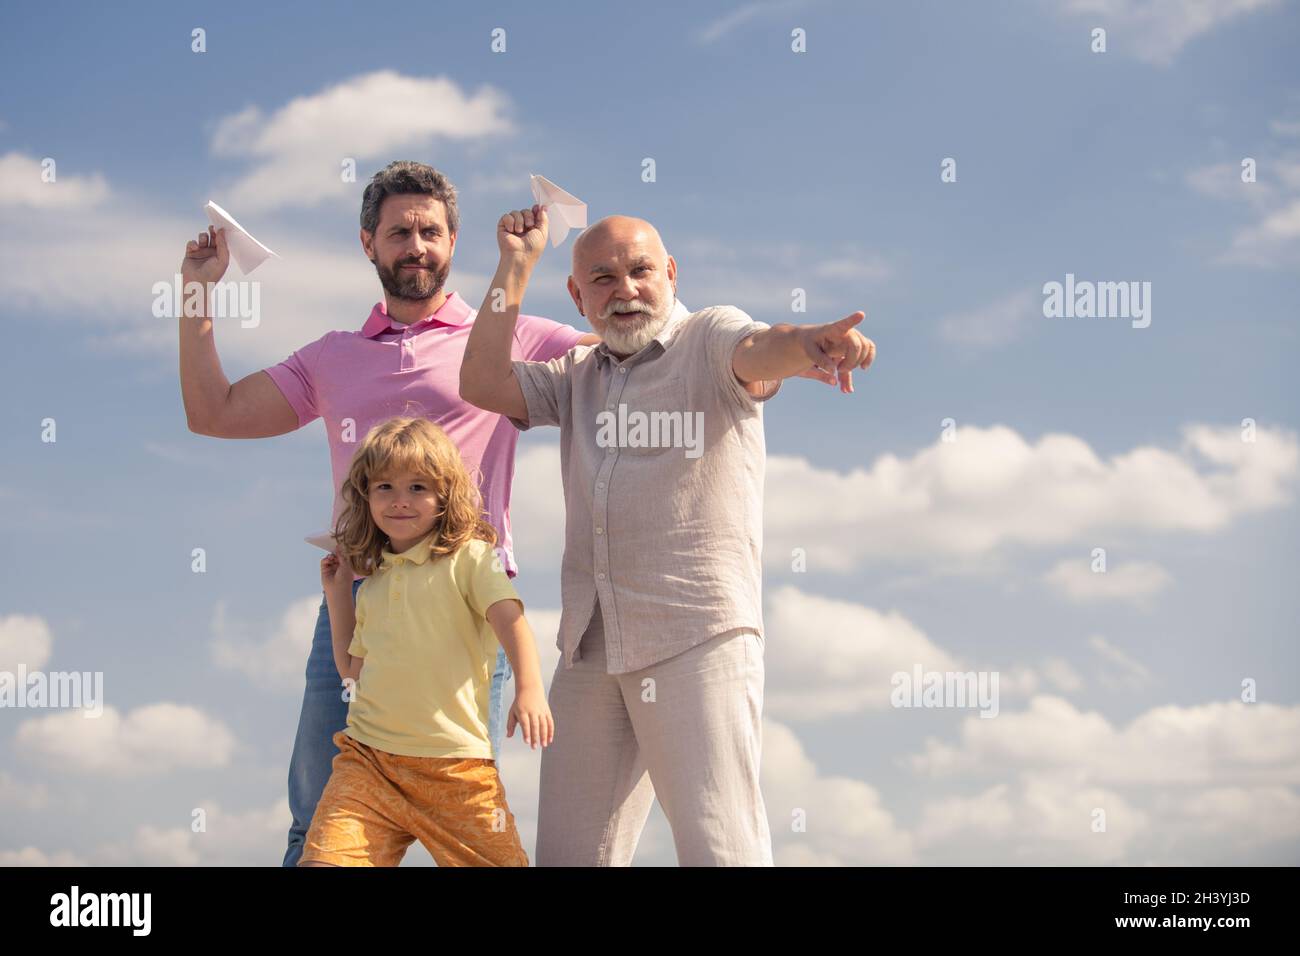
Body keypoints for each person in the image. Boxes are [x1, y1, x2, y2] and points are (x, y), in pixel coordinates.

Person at [177, 162, 598, 866]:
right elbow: (212, 413)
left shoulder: (511, 335)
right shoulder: (331, 357)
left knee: (462, 824)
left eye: (431, 231)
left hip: (465, 607)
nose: (417, 245)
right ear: (368, 244)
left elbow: (635, 361)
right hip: (360, 602)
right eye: (399, 231)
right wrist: (196, 290)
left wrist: (759, 356)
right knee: (318, 820)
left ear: (454, 241)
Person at [459, 205, 876, 865]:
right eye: (602, 278)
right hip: (591, 646)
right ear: (577, 295)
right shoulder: (576, 375)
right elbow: (480, 381)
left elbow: (762, 347)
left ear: (671, 274)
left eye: (640, 271)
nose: (624, 289)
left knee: (720, 850)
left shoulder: (708, 338)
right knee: (570, 856)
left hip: (695, 636)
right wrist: (514, 266)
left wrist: (810, 345)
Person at [299, 416, 551, 866]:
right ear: (365, 497)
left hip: (456, 771)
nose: (400, 501)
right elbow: (352, 673)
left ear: (445, 495)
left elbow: (511, 620)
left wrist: (529, 688)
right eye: (385, 488)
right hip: (369, 764)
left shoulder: (472, 558)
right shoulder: (374, 582)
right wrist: (339, 595)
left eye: (418, 487)